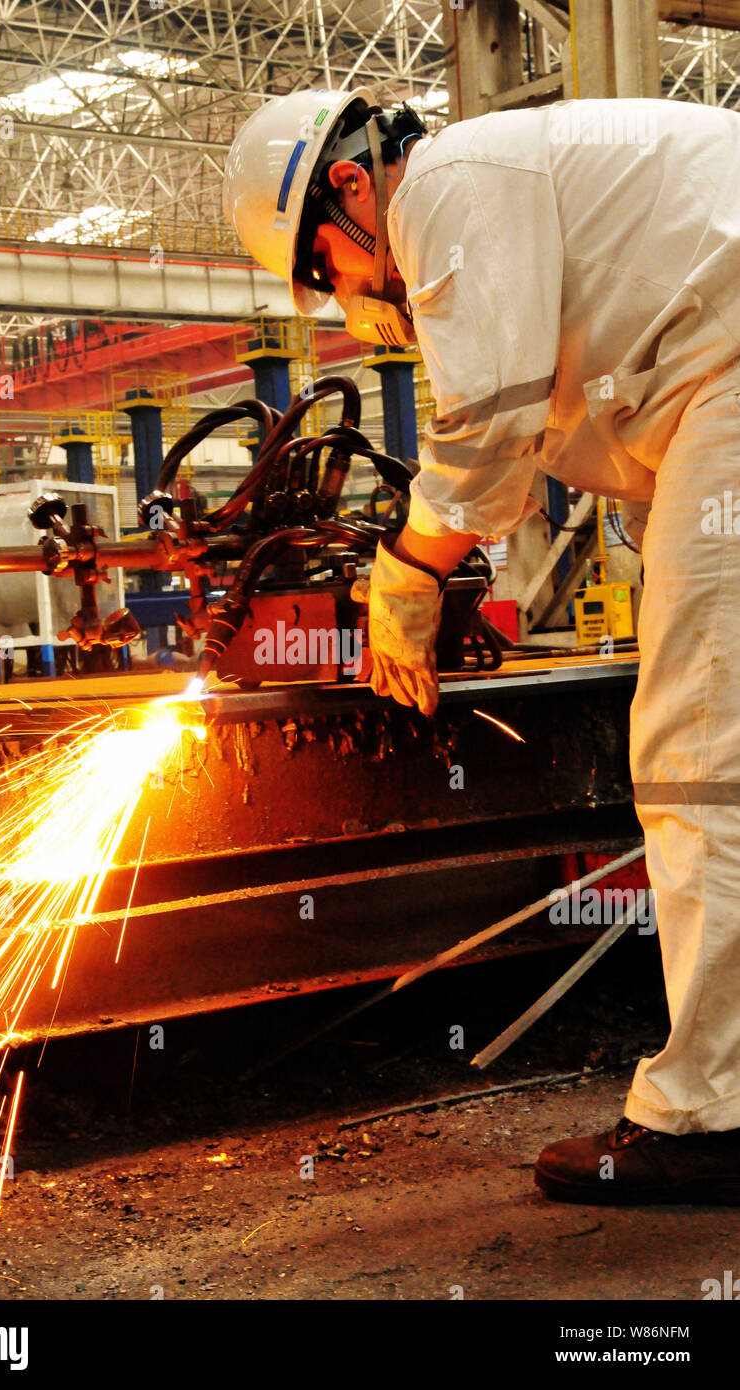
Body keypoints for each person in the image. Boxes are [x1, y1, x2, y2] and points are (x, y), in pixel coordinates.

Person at [223, 88, 740, 1204]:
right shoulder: (526, 190)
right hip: (715, 387)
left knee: (699, 755)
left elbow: (488, 420)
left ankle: (714, 1115)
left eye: (326, 265)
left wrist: (404, 572)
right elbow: (602, 439)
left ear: (350, 186)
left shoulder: (451, 182)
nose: (351, 295)